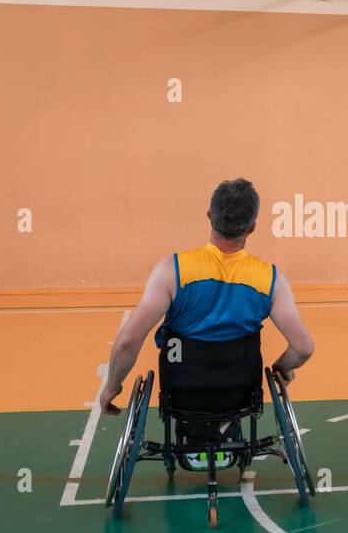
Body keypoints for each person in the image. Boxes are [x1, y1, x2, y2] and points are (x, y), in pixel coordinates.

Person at [99, 179, 314, 464]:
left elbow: (128, 341)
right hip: (241, 394)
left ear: (210, 216)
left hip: (182, 393)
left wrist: (112, 385)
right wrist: (281, 369)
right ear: (252, 227)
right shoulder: (271, 281)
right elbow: (303, 347)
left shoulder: (172, 271)